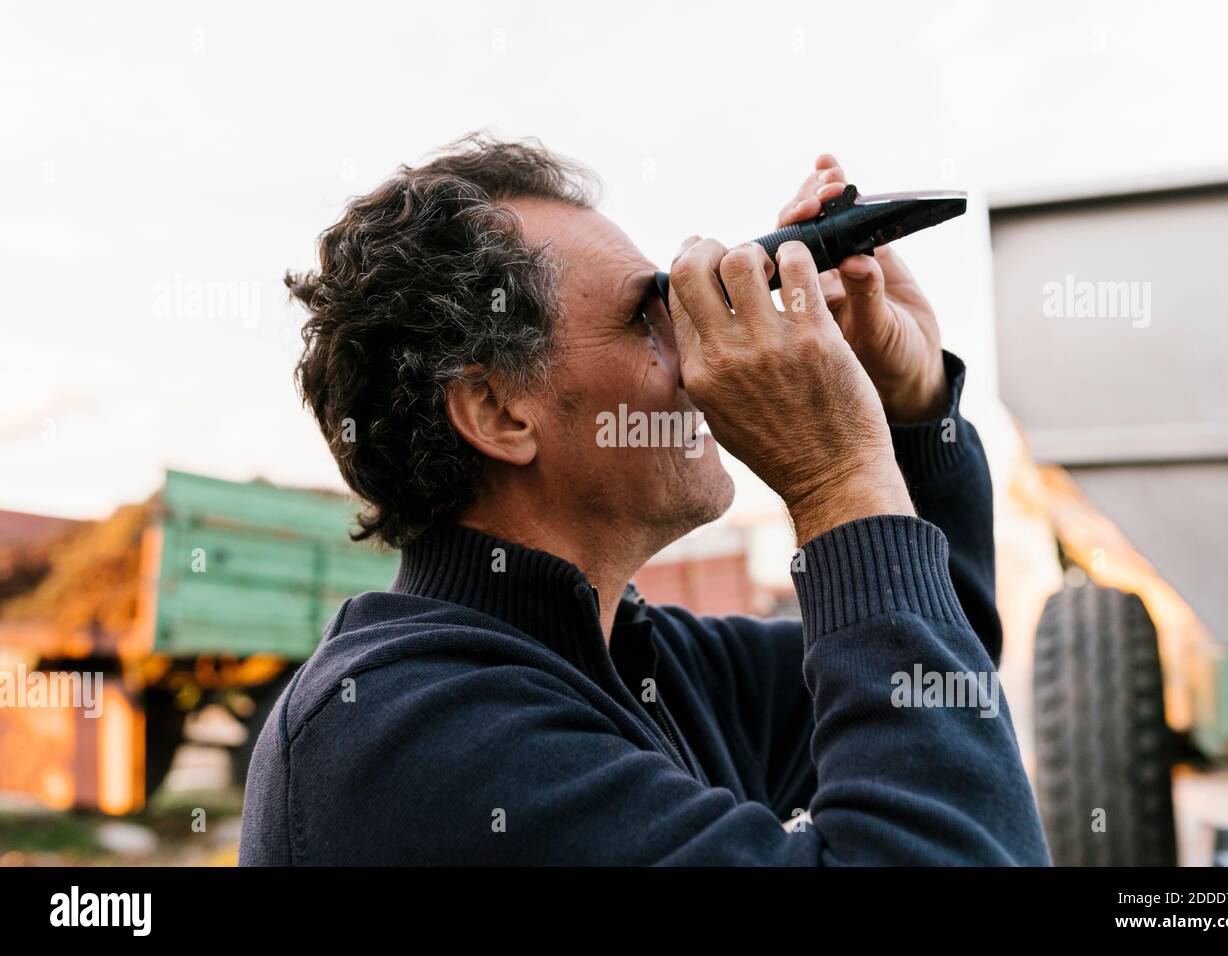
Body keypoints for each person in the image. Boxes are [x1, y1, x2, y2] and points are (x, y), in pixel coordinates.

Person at [239, 133, 1050, 865]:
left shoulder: (646, 665)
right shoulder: (406, 734)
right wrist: (835, 478)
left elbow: (937, 686)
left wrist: (908, 408)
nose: (698, 354)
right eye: (645, 318)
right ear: (496, 411)